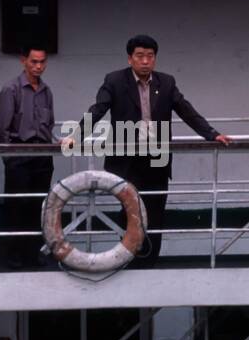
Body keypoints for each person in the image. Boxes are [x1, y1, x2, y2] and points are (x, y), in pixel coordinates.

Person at [77, 34, 231, 264]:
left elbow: (186, 110)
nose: (145, 61)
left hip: (156, 161)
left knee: (156, 212)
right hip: (126, 162)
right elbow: (98, 109)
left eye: (150, 56)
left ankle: (150, 263)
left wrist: (212, 134)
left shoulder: (166, 83)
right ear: (130, 59)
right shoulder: (114, 81)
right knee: (129, 213)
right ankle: (129, 260)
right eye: (140, 56)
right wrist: (76, 135)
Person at [0, 46, 55, 268]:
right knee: (17, 207)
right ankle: (14, 257)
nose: (38, 66)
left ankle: (33, 253)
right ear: (24, 61)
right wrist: (10, 158)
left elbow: (49, 123)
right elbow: (2, 128)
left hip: (43, 157)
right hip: (19, 156)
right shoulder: (11, 89)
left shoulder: (46, 91)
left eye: (42, 62)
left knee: (37, 207)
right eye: (34, 62)